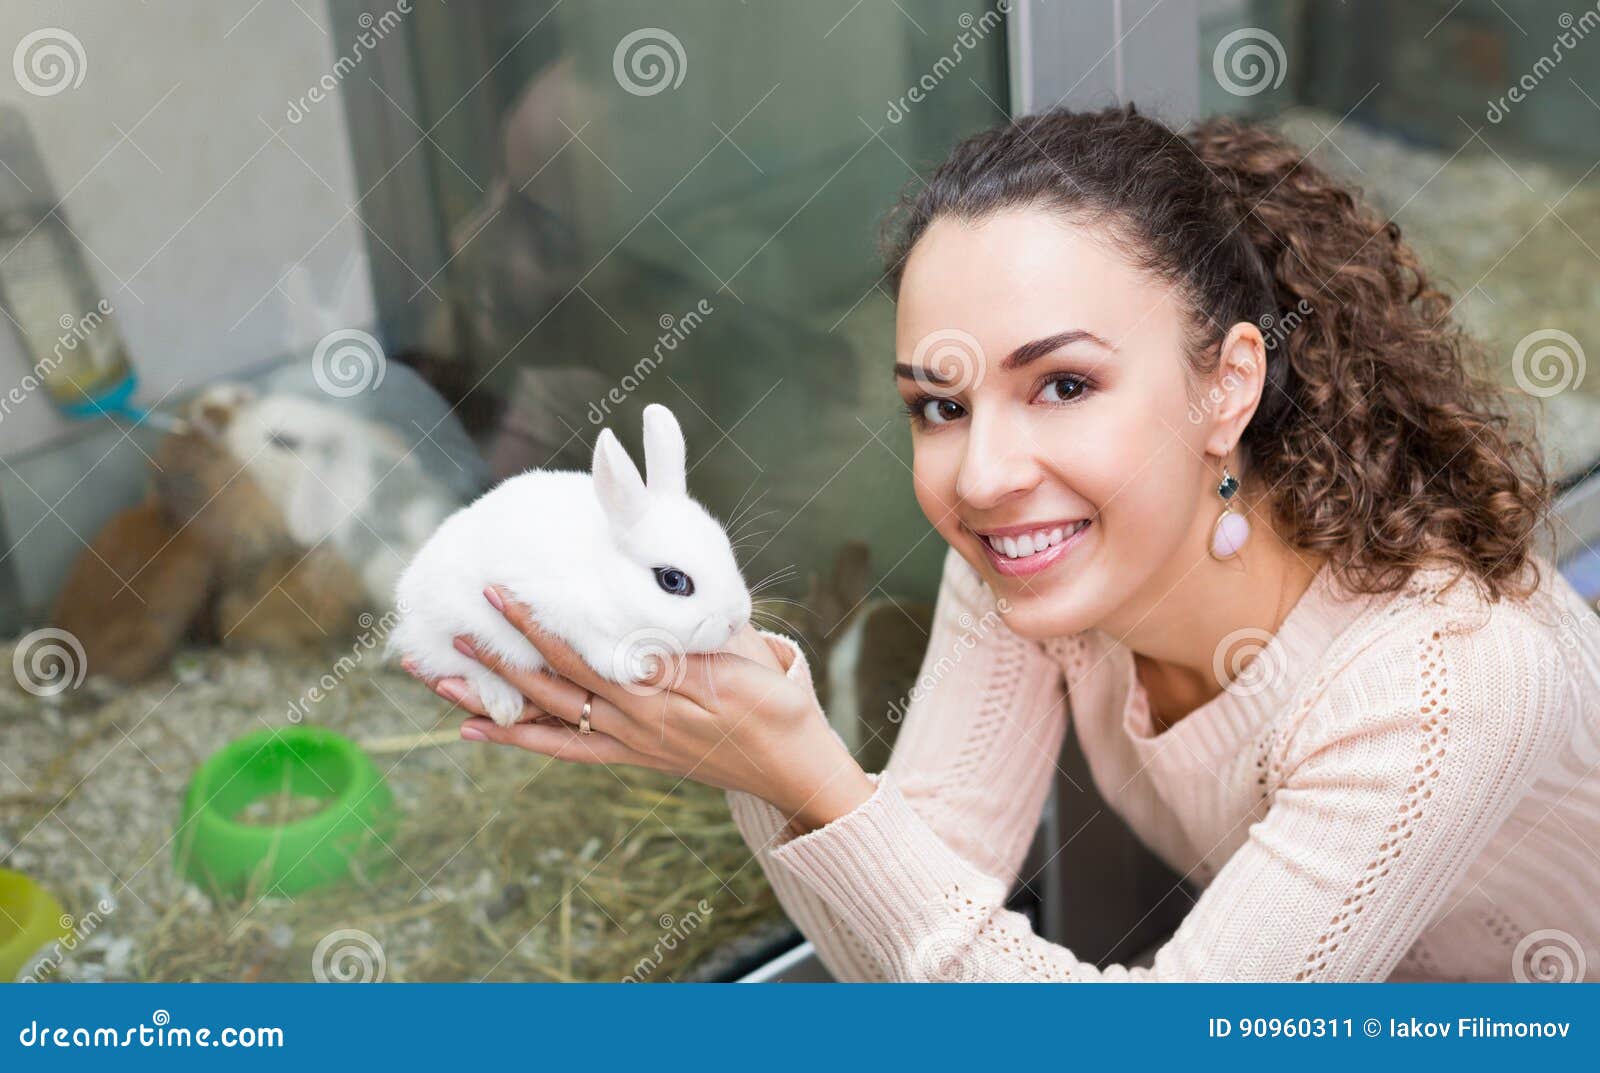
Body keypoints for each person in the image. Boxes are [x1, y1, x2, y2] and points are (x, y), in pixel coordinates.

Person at [409, 105, 1600, 982]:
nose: (979, 474)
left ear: (1230, 382)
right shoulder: (1036, 554)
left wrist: (809, 773)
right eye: (939, 403)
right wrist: (762, 753)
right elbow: (908, 918)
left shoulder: (1444, 677)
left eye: (1065, 382)